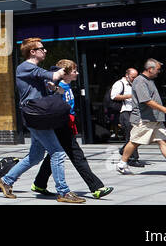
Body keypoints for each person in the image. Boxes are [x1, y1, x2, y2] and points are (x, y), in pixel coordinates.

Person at [0, 38, 82, 202]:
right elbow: (54, 74)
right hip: (36, 116)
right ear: (32, 52)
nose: (45, 51)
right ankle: (63, 192)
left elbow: (55, 89)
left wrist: (53, 88)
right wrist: (65, 69)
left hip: (40, 115)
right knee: (57, 152)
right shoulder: (25, 67)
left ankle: (6, 180)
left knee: (35, 156)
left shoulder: (35, 70)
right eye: (42, 48)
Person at [31, 59, 112, 199]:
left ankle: (39, 183)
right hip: (61, 126)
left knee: (54, 154)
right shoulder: (56, 88)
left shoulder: (67, 87)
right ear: (65, 74)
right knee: (77, 156)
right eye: (74, 71)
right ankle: (96, 187)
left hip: (67, 125)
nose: (77, 73)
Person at [115, 59, 166, 182]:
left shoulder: (149, 81)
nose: (159, 72)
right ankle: (121, 164)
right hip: (144, 119)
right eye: (157, 69)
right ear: (150, 69)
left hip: (154, 119)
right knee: (135, 141)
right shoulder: (140, 81)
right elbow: (147, 101)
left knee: (163, 140)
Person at [110, 68, 145, 166]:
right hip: (125, 112)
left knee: (136, 134)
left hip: (134, 112)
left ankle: (124, 151)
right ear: (127, 75)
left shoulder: (134, 84)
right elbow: (113, 96)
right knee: (132, 135)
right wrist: (130, 96)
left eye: (136, 77)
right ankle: (133, 159)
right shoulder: (119, 84)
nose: (135, 79)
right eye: (133, 77)